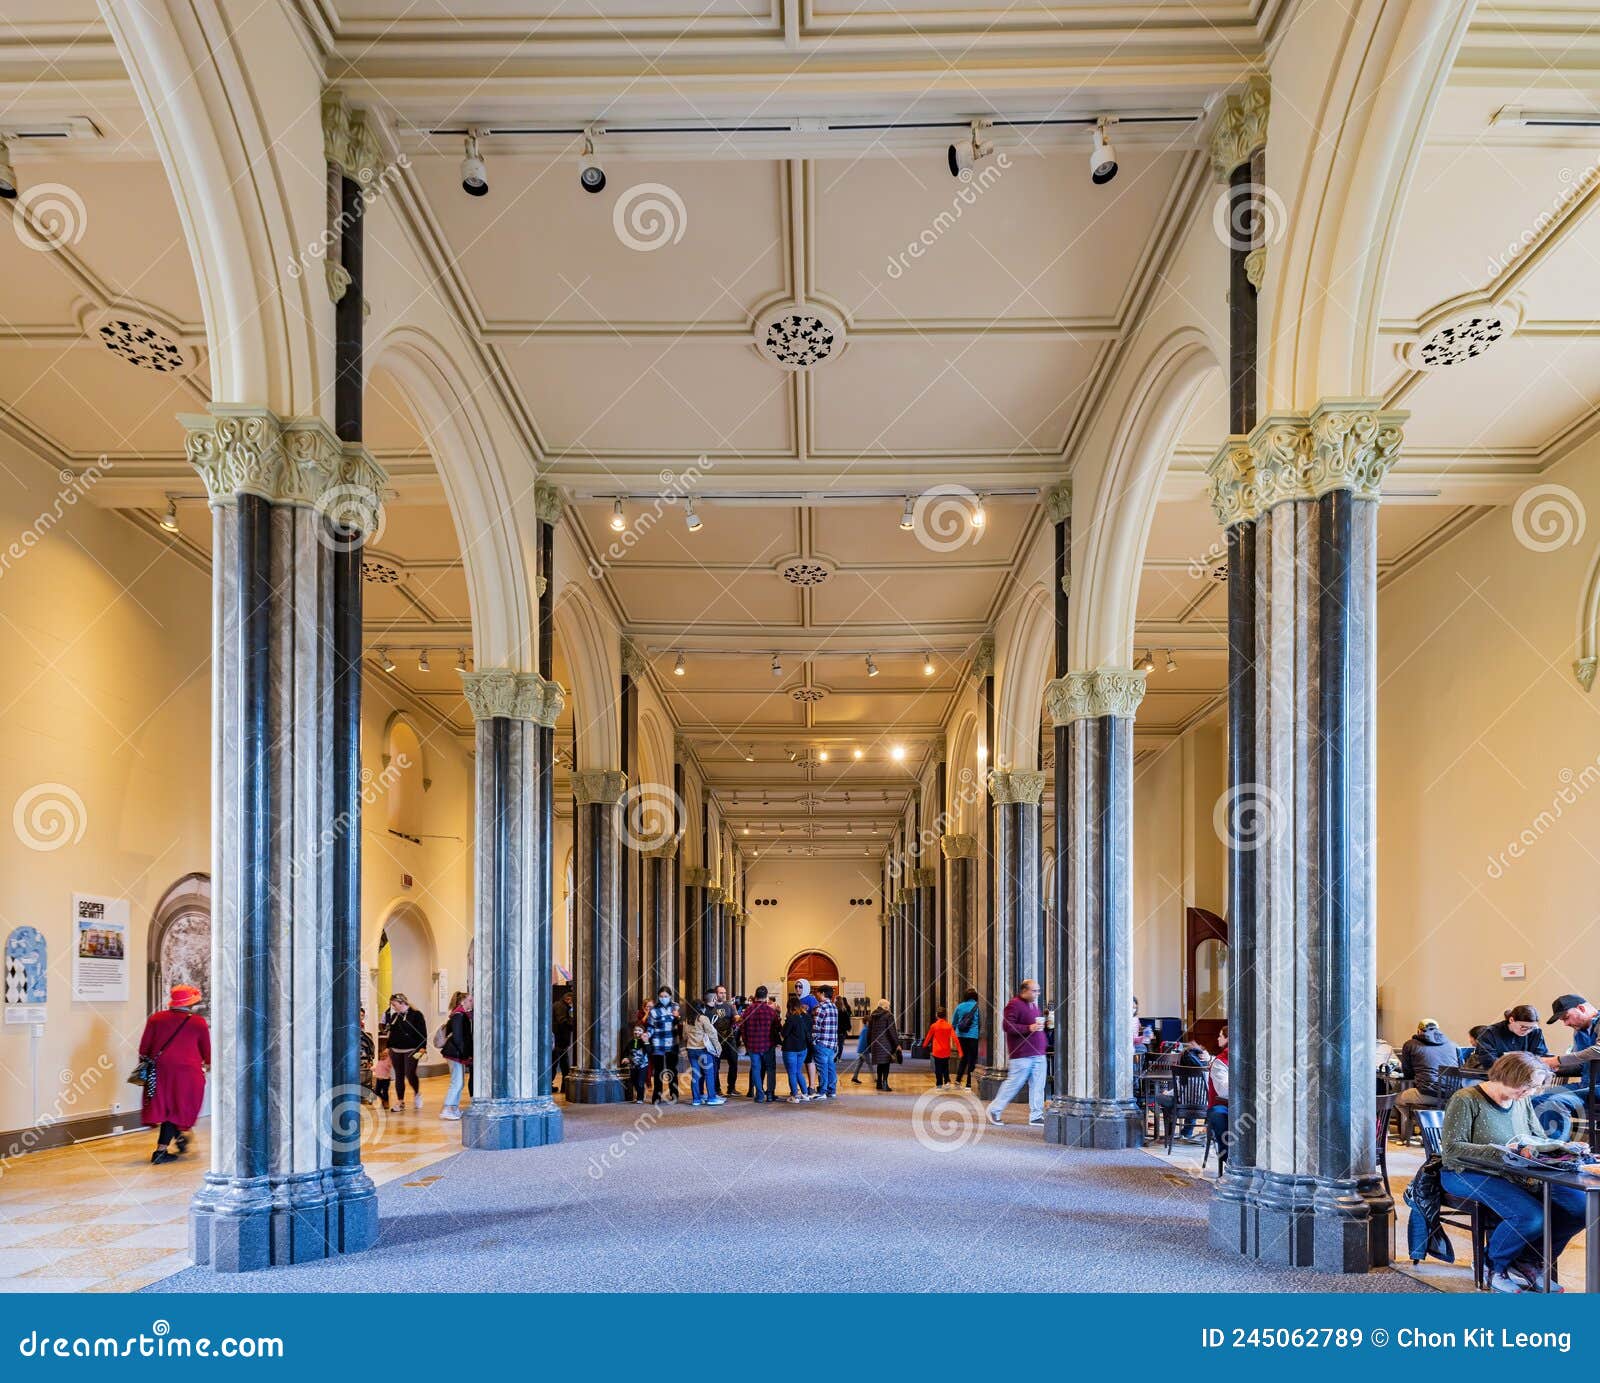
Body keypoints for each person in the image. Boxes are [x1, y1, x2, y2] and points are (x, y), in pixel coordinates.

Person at [1440, 1051, 1595, 1293]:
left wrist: (1564, 1148)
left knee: (1582, 1208)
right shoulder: (1466, 1099)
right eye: (1528, 1086)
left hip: (1514, 1171)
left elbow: (1538, 1137)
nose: (1531, 1092)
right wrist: (1502, 1151)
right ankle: (1492, 1265)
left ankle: (1528, 1260)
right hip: (1466, 1172)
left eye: (1534, 1087)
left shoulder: (1521, 1100)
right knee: (1530, 1217)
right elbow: (1451, 1150)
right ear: (1509, 1076)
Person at [138, 984, 210, 1164]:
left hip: (159, 1070)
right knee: (179, 1106)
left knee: (167, 1105)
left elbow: (144, 1048)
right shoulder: (198, 1022)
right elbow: (206, 1050)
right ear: (190, 1003)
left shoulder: (156, 1019)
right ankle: (160, 1151)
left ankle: (179, 1138)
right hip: (187, 1072)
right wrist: (208, 1064)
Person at [986, 979, 1047, 1127]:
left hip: (1038, 1052)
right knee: (1014, 1084)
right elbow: (1008, 1026)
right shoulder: (1014, 1004)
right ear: (1024, 991)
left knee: (1038, 1085)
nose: (1037, 993)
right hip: (1022, 1053)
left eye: (1038, 991)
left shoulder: (1034, 1005)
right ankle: (994, 1110)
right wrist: (1028, 1028)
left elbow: (1035, 1026)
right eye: (1034, 991)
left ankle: (1036, 1115)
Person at [1395, 1018, 1455, 1141]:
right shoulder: (1452, 1045)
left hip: (1428, 1093)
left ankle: (1423, 1126)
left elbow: (1408, 1074)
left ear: (1419, 1031)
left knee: (1396, 1099)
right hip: (1452, 1096)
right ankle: (1431, 1127)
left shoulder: (1410, 1044)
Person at [383, 992, 428, 1112]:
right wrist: (388, 1047)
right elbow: (392, 1034)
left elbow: (422, 1032)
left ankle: (417, 1093)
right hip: (396, 1050)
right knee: (399, 1075)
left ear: (402, 1002)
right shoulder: (394, 1016)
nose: (393, 1007)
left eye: (394, 1004)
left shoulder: (416, 1015)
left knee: (410, 1073)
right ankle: (400, 1101)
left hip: (412, 1049)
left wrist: (423, 1047)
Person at [735, 985, 780, 1103]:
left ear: (755, 995)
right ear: (766, 996)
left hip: (753, 1044)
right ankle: (770, 1094)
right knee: (770, 1069)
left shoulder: (748, 1010)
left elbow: (742, 1027)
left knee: (755, 1068)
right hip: (768, 1044)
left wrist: (746, 1042)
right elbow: (777, 1027)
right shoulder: (771, 1011)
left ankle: (759, 1094)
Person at [1472, 1005, 1550, 1067]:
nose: (1527, 1031)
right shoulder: (1490, 1033)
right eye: (1523, 1027)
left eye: (1531, 1028)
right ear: (1511, 1020)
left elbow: (1540, 1056)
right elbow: (1490, 1062)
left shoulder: (1535, 1032)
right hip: (1491, 1074)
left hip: (1525, 1074)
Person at [683, 996, 726, 1107]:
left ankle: (696, 1099)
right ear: (701, 1008)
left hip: (691, 1050)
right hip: (703, 1050)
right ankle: (711, 1098)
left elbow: (684, 1036)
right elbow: (712, 1034)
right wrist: (718, 1047)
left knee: (695, 1075)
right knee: (709, 1074)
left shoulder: (687, 1020)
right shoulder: (702, 1018)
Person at [440, 991, 473, 1122]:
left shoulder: (460, 1014)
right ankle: (447, 1108)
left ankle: (453, 1108)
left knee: (459, 1082)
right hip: (454, 1053)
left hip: (456, 1052)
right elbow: (459, 1038)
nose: (472, 1002)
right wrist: (466, 1055)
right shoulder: (459, 1015)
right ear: (462, 1002)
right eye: (470, 1000)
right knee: (457, 1082)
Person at [646, 986, 680, 1105]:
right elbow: (650, 1027)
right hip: (658, 1043)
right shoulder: (653, 1010)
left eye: (666, 996)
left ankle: (674, 1095)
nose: (663, 998)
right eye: (661, 996)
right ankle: (657, 1096)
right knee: (658, 1071)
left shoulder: (675, 1007)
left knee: (672, 1070)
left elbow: (678, 1024)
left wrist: (677, 1017)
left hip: (672, 1043)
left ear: (670, 996)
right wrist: (647, 1035)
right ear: (658, 997)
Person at [864, 999, 901, 1092]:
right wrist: (897, 1044)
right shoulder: (888, 1015)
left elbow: (869, 1032)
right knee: (886, 1064)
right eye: (888, 1006)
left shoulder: (873, 1015)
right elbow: (892, 1031)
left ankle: (879, 1083)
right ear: (886, 1006)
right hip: (886, 1043)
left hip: (876, 1044)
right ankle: (885, 1083)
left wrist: (869, 1044)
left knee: (880, 1064)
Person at [781, 997, 814, 1102]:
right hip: (803, 1049)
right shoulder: (806, 1017)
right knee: (798, 1071)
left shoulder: (791, 1018)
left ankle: (795, 1096)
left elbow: (784, 1033)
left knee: (792, 1072)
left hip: (790, 1049)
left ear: (790, 1007)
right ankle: (805, 1094)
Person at [811, 985, 840, 1099]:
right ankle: (832, 1090)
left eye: (817, 993)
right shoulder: (834, 1007)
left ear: (822, 993)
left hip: (822, 1042)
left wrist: (814, 1041)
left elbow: (816, 1026)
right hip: (832, 1043)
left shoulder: (821, 1007)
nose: (816, 995)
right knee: (830, 1067)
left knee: (822, 1068)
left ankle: (822, 1091)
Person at [921, 1007, 962, 1089]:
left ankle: (939, 1083)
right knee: (945, 1067)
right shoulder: (949, 1026)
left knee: (938, 1068)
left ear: (937, 1015)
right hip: (946, 1051)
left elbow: (928, 1037)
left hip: (937, 1051)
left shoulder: (934, 1026)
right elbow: (955, 1039)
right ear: (945, 1016)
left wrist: (924, 1045)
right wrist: (960, 1051)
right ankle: (947, 1081)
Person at [710, 984, 739, 1096]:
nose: (723, 995)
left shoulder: (729, 1006)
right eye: (721, 993)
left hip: (729, 1039)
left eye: (724, 993)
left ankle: (731, 1088)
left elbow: (736, 1017)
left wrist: (737, 1018)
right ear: (715, 994)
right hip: (715, 1040)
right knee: (715, 1065)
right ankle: (717, 1089)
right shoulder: (711, 1006)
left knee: (734, 1062)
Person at [1206, 1025, 1229, 1160]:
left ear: (1228, 1039)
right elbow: (1223, 1091)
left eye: (1220, 1036)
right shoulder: (1220, 1062)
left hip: (1243, 1105)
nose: (1218, 1038)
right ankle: (1228, 1156)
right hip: (1221, 1105)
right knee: (1219, 1114)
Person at [952, 988, 982, 1089]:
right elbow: (980, 1022)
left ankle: (958, 1080)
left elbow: (954, 1023)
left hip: (961, 1035)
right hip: (973, 1036)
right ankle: (969, 1084)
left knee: (963, 1058)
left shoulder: (959, 1006)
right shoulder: (977, 1007)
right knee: (972, 1060)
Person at [552, 984, 575, 1092]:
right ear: (568, 999)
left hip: (560, 1041)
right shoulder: (561, 1006)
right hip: (559, 1040)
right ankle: (564, 1087)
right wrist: (573, 1024)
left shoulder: (561, 1006)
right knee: (558, 1064)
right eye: (572, 1002)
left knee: (562, 1064)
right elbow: (562, 1021)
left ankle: (565, 1087)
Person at [625, 1025, 651, 1103]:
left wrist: (646, 1042)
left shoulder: (645, 1042)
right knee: (634, 1081)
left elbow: (649, 1051)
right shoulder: (631, 1042)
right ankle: (640, 1092)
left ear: (643, 1032)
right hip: (633, 1066)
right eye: (635, 1030)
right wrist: (625, 1058)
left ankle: (640, 1098)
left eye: (639, 1030)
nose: (637, 1032)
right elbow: (626, 1052)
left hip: (643, 1066)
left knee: (640, 1082)